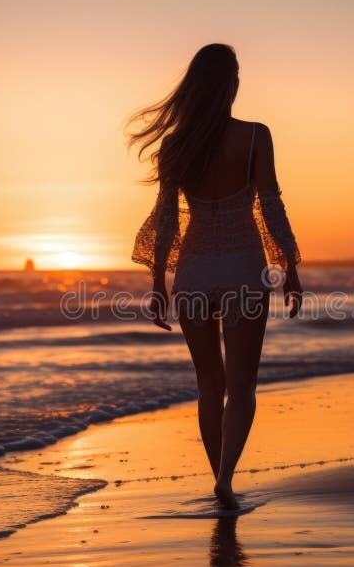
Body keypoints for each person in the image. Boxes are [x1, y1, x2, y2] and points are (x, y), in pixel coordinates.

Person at [127, 43, 302, 510]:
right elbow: (271, 206)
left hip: (194, 272)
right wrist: (290, 267)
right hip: (244, 267)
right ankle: (225, 478)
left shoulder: (175, 145)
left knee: (211, 385)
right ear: (230, 84)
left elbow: (167, 219)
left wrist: (158, 284)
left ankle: (216, 477)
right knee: (242, 387)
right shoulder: (255, 135)